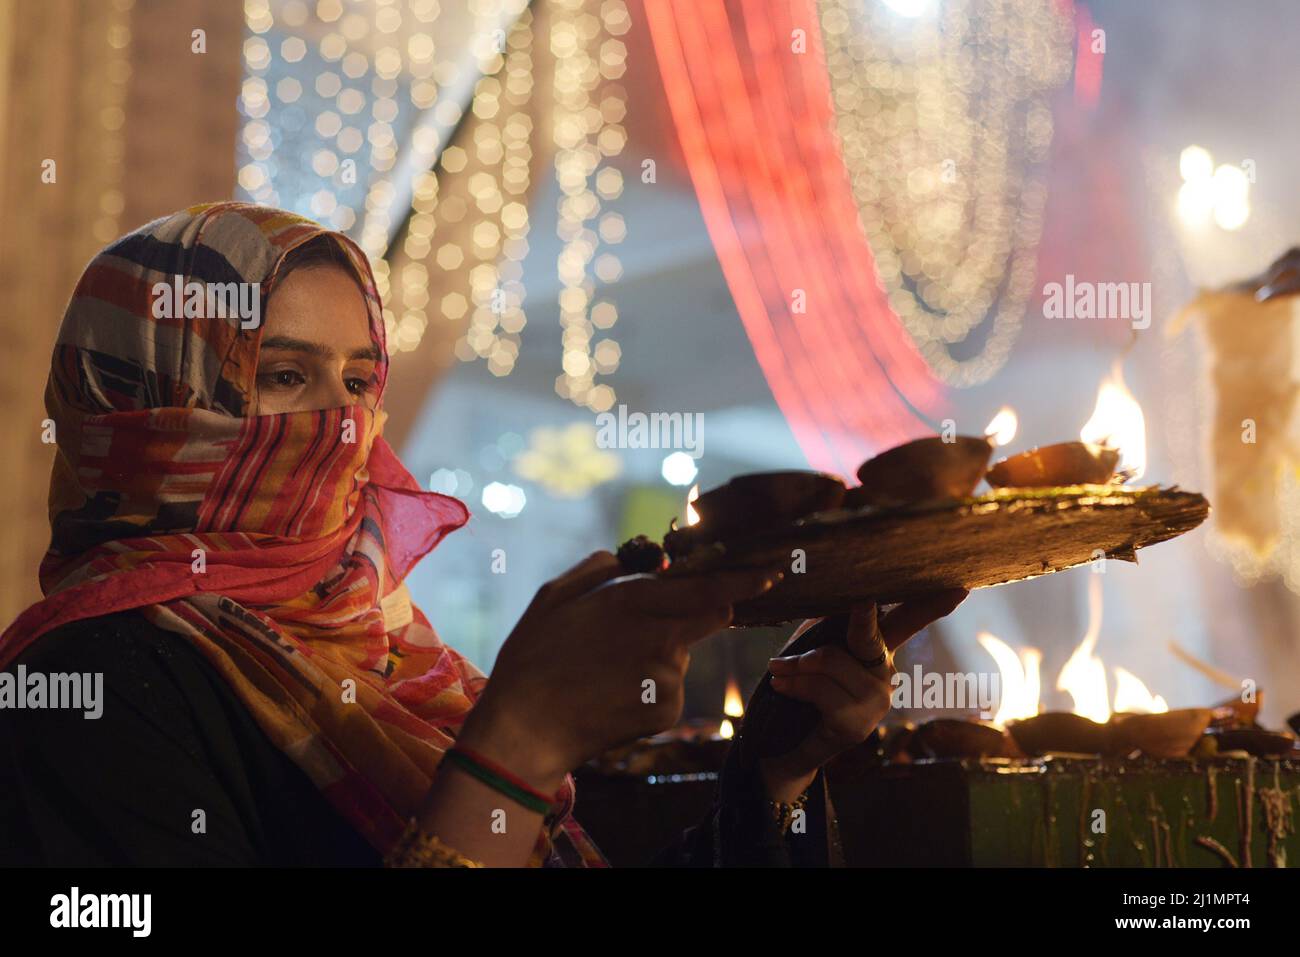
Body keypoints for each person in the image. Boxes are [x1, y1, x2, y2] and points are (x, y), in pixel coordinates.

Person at [0, 202, 965, 867]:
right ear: (137, 408)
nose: (340, 423)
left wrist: (773, 772)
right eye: (283, 377)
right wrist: (518, 747)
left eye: (360, 381)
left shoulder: (383, 653)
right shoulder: (82, 690)